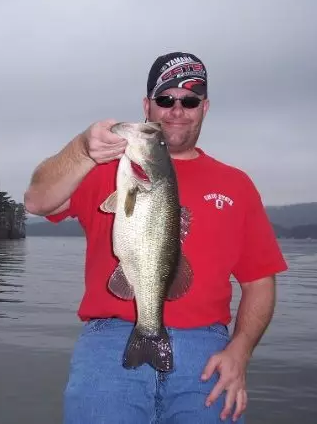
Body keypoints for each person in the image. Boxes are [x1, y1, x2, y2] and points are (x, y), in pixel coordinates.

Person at [24, 51, 288, 423]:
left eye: (189, 100)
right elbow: (37, 200)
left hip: (208, 347)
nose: (177, 110)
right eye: (165, 99)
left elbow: (260, 282)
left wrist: (240, 351)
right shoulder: (105, 170)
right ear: (148, 106)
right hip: (110, 338)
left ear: (204, 107)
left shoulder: (237, 185)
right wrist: (82, 148)